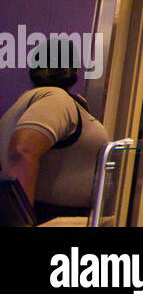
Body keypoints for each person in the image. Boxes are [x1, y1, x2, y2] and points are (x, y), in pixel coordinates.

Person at [0, 36, 110, 224]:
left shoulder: (28, 101)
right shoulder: (55, 99)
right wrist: (22, 223)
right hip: (50, 219)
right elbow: (23, 151)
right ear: (74, 69)